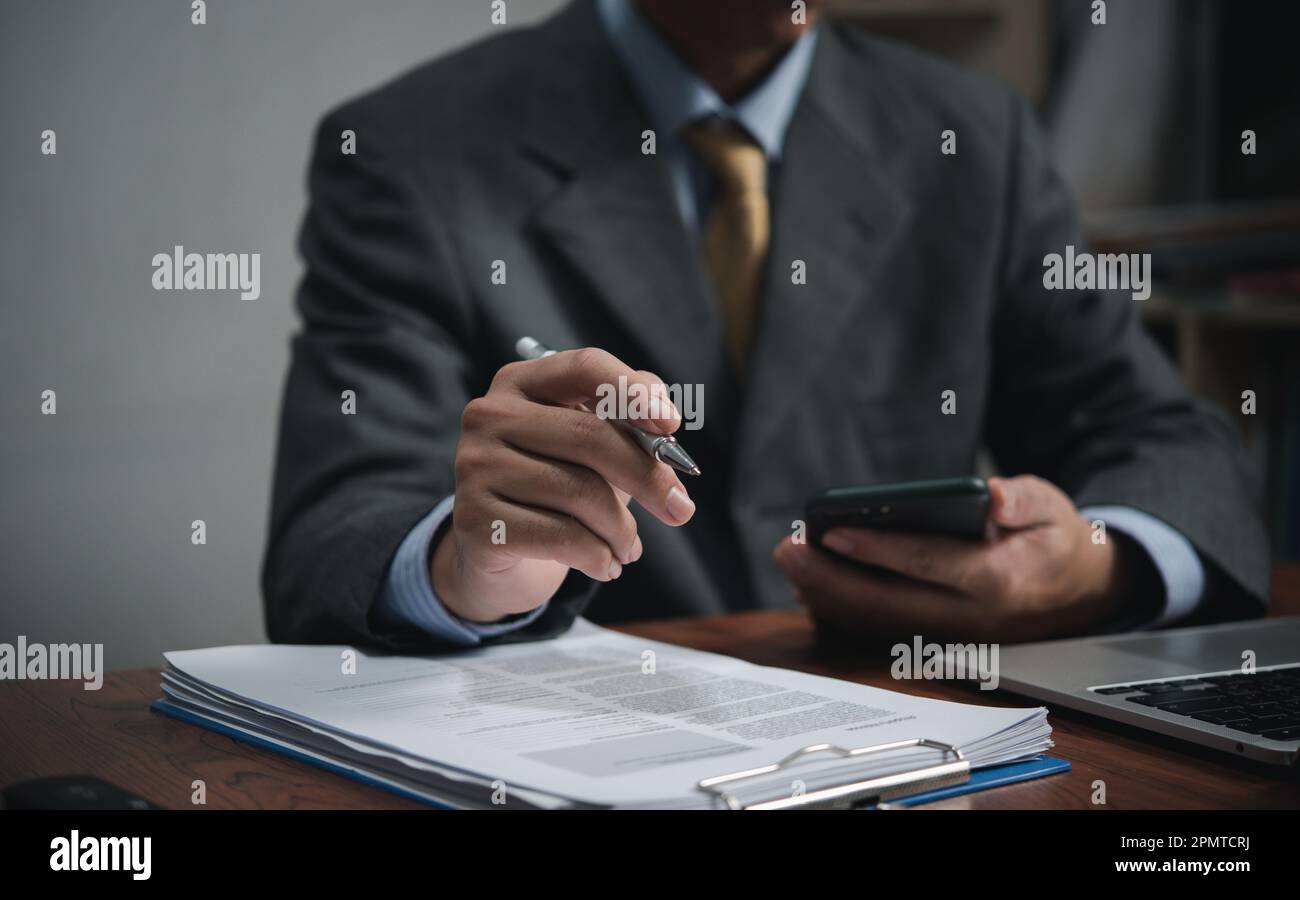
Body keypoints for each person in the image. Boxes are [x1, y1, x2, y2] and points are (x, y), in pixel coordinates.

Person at [262, 0, 1268, 651]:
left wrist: (1090, 568)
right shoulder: (410, 149)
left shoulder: (974, 137)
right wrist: (471, 565)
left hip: (911, 746)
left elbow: (1169, 441)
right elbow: (328, 542)